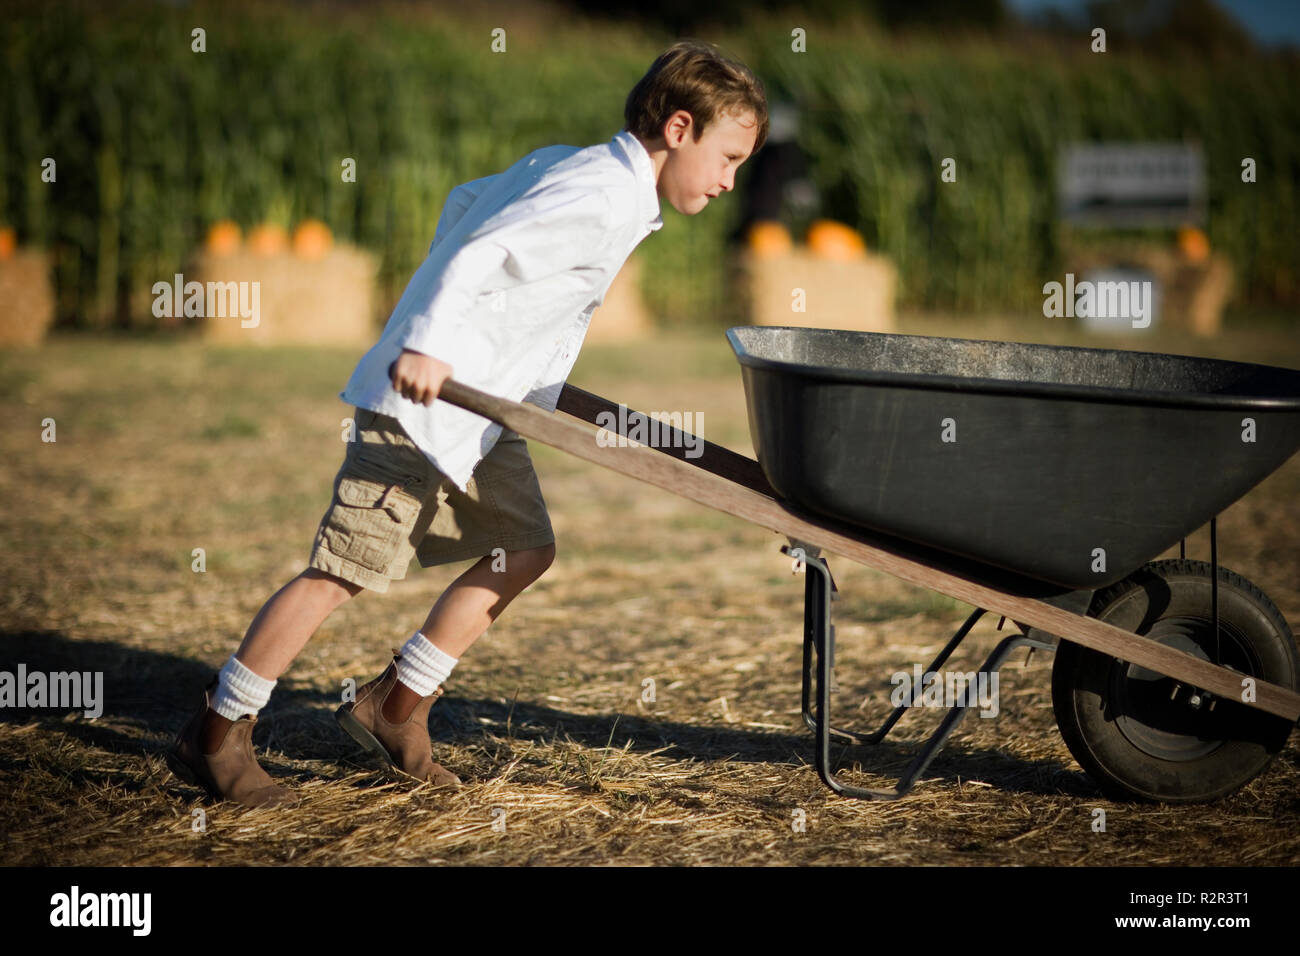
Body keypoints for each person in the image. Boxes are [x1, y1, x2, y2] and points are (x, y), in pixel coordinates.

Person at [167, 39, 768, 808]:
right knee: (341, 572)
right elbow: (483, 249)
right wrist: (425, 342)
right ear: (679, 128)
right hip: (420, 405)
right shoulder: (600, 192)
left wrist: (517, 369)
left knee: (525, 546)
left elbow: (463, 203)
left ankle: (395, 704)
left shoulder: (576, 166)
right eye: (728, 159)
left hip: (482, 407)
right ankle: (216, 733)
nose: (727, 182)